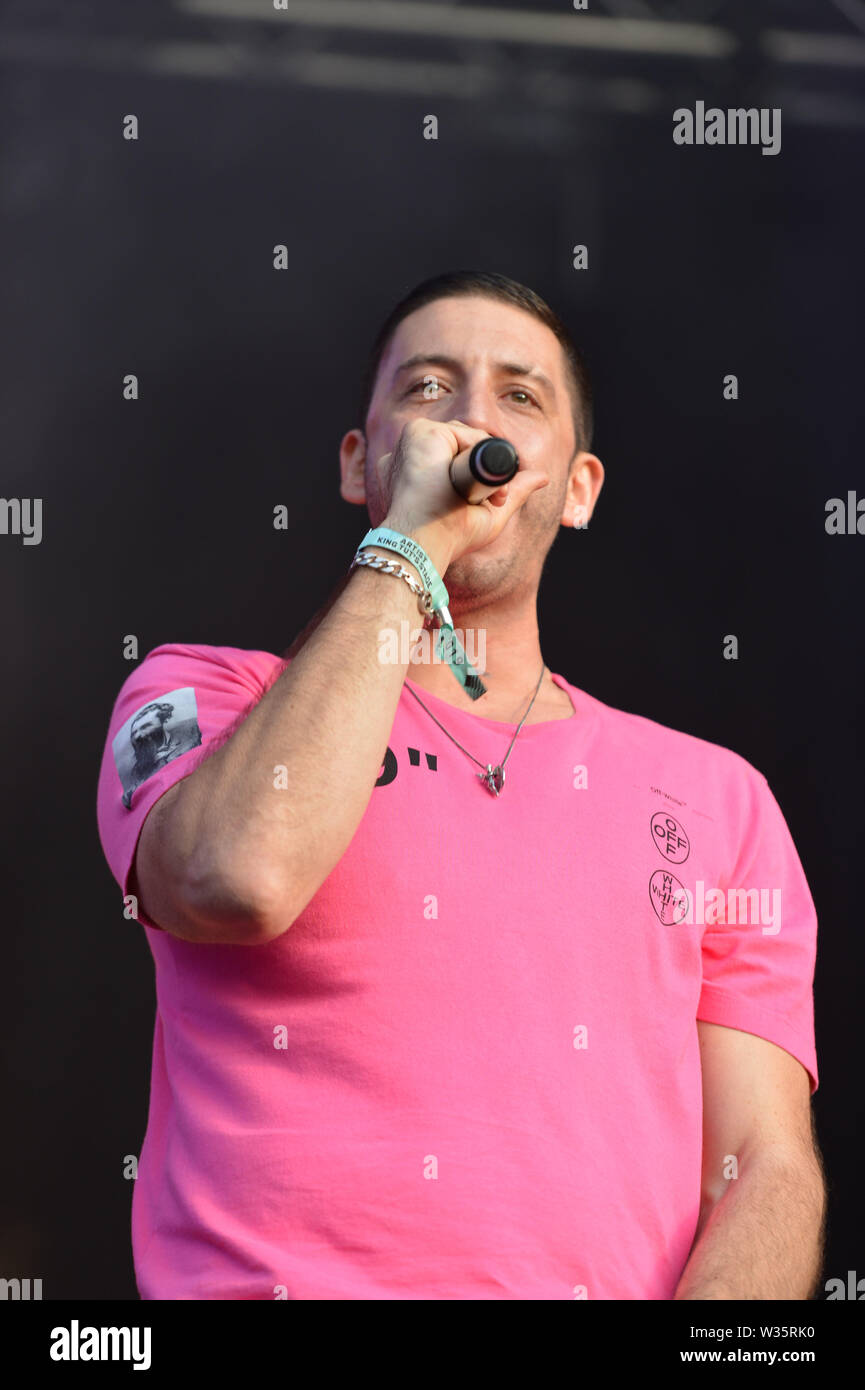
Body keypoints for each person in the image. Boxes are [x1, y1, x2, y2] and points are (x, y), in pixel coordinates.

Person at [97, 270, 824, 1300]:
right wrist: (411, 546)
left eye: (519, 396)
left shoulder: (716, 798)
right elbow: (238, 876)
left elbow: (762, 1165)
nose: (468, 419)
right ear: (362, 462)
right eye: (428, 388)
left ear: (576, 488)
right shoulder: (201, 695)